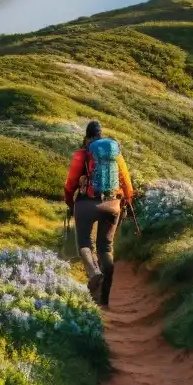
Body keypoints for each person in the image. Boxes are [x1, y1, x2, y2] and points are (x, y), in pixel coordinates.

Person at [64, 120, 134, 307]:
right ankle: (104, 300)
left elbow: (70, 183)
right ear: (101, 135)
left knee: (85, 245)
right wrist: (126, 201)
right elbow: (127, 183)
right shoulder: (114, 154)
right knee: (106, 248)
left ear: (86, 137)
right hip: (112, 205)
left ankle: (94, 273)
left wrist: (70, 202)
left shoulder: (82, 153)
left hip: (87, 204)